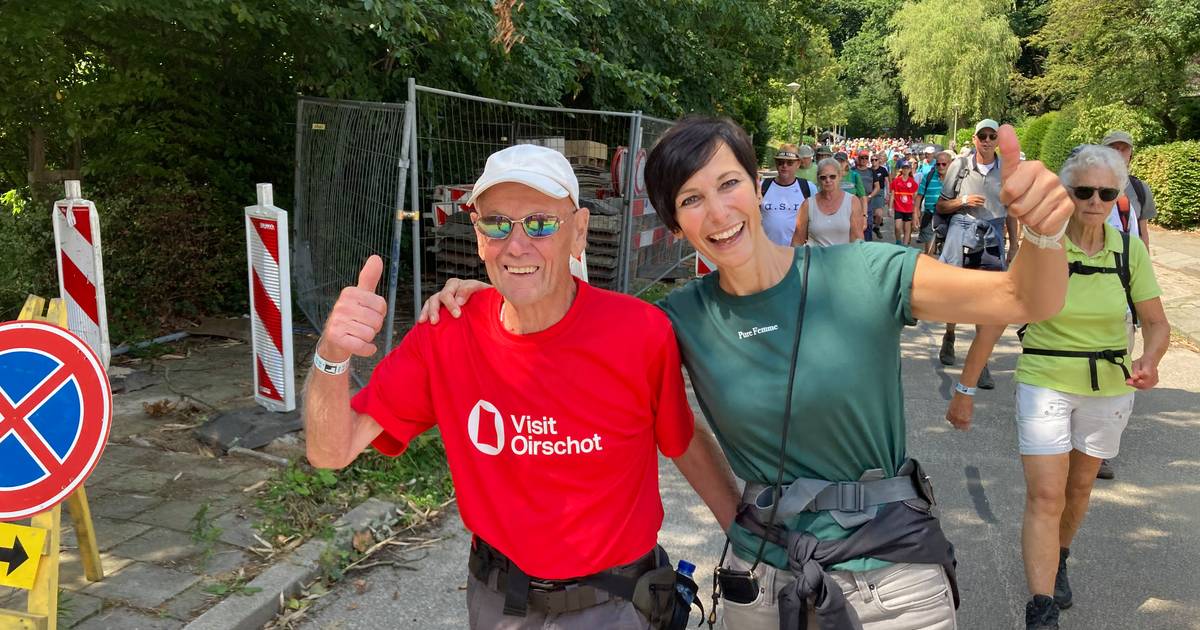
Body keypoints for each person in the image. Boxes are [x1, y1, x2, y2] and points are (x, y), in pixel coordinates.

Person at [421, 117, 1075, 630]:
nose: (718, 212)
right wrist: (485, 298)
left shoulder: (867, 274)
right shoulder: (679, 319)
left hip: (893, 582)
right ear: (676, 224)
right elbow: (578, 335)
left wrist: (1043, 234)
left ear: (759, 184)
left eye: (729, 184)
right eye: (691, 199)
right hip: (761, 582)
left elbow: (1024, 300)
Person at [304, 144, 739, 629]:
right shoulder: (445, 332)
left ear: (578, 232)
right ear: (477, 236)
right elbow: (331, 451)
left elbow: (682, 439)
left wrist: (745, 537)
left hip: (615, 606)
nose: (516, 244)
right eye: (497, 224)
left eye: (540, 223)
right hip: (499, 606)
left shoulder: (639, 333)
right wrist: (332, 355)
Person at [942, 145, 1170, 630]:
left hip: (1108, 386)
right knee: (1046, 496)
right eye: (1082, 190)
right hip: (1045, 380)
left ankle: (1060, 556)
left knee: (1079, 488)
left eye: (1105, 192)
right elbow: (998, 316)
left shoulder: (1128, 251)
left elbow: (1155, 322)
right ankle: (1040, 607)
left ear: (1117, 197)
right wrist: (964, 389)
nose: (1093, 200)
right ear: (1066, 194)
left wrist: (1149, 359)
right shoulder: (1043, 246)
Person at [934, 119, 1021, 389]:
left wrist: (1014, 244)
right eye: (982, 136)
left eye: (991, 136)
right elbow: (941, 205)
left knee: (988, 302)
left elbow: (1011, 210)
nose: (986, 140)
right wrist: (962, 201)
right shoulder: (959, 166)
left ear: (997, 140)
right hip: (963, 229)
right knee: (957, 295)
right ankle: (949, 334)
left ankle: (981, 362)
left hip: (993, 235)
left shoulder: (1006, 170)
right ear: (974, 139)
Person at [1092, 130, 1158, 479]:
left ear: (1131, 153)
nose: (1120, 153)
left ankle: (1100, 448)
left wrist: (1143, 276)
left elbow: (1141, 234)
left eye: (1124, 148)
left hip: (1123, 287)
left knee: (1117, 363)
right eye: (1113, 148)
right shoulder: (1084, 184)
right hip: (1085, 286)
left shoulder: (1137, 190)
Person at [792, 157, 866, 247]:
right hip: (815, 259)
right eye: (823, 177)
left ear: (839, 176)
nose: (828, 180)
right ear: (818, 180)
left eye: (832, 176)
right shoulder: (807, 204)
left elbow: (857, 239)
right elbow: (797, 240)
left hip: (843, 259)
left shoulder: (852, 202)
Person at [761, 145, 819, 247]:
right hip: (767, 252)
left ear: (798, 164)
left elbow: (817, 221)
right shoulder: (763, 186)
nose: (784, 166)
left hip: (796, 253)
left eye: (789, 163)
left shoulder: (808, 188)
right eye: (780, 162)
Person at [915, 151, 951, 250]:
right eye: (938, 164)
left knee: (946, 251)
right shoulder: (928, 177)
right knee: (929, 250)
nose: (941, 167)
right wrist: (915, 213)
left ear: (950, 163)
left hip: (947, 218)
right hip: (929, 216)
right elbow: (919, 196)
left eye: (944, 164)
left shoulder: (954, 178)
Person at [854, 151, 881, 241]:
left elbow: (877, 187)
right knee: (855, 224)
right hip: (855, 201)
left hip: (868, 201)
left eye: (866, 158)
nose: (864, 160)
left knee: (868, 224)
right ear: (858, 158)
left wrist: (869, 197)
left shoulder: (871, 171)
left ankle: (867, 246)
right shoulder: (853, 171)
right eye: (862, 157)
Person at [890, 160, 918, 246]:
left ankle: (905, 245)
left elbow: (915, 197)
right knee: (897, 227)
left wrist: (916, 210)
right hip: (898, 207)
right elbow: (892, 195)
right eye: (904, 168)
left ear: (910, 169)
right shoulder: (896, 181)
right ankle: (898, 241)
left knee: (907, 228)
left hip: (908, 209)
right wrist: (890, 208)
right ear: (901, 169)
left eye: (907, 168)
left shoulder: (912, 182)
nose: (905, 170)